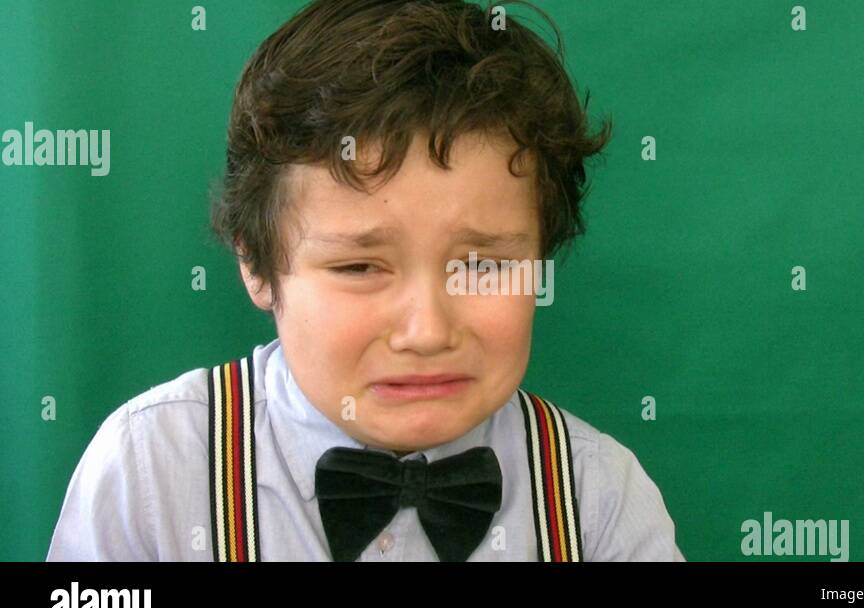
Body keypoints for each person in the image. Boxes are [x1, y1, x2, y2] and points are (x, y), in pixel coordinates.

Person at [46, 0, 684, 562]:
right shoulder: (150, 470)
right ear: (257, 265)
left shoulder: (596, 496)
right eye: (358, 267)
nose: (427, 332)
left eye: (483, 266)